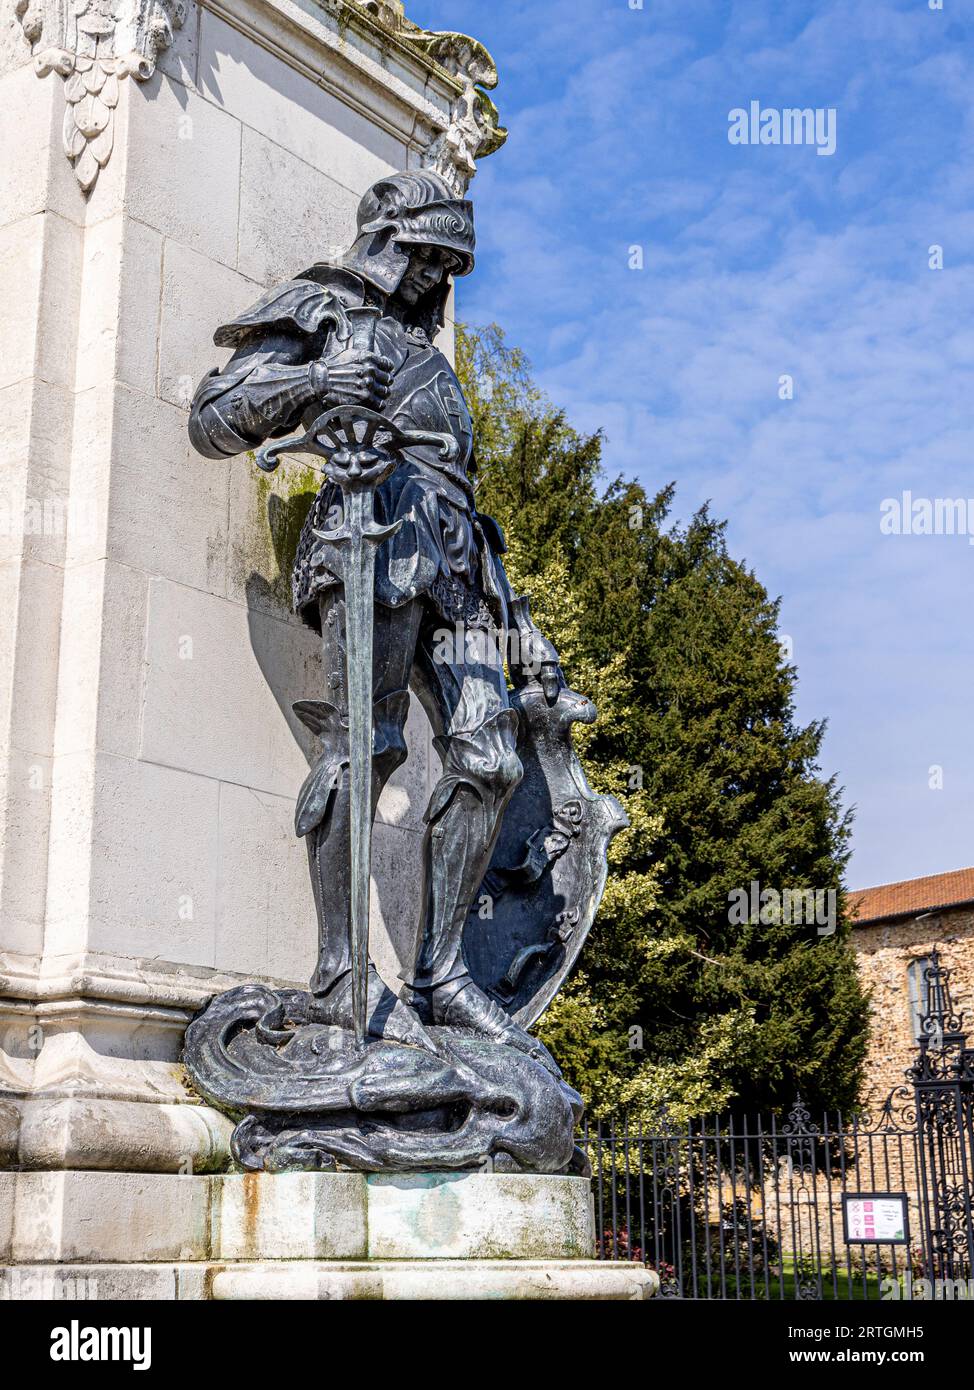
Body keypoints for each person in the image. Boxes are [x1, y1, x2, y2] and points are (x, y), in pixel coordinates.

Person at [189, 171, 562, 1061]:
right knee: (365, 745)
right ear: (390, 242)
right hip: (369, 532)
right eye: (427, 255)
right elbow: (212, 416)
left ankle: (438, 975)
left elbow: (468, 506)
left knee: (490, 751)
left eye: (448, 263)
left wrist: (519, 625)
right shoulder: (320, 308)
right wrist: (318, 376)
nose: (437, 277)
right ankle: (339, 972)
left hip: (456, 561)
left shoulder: (431, 359)